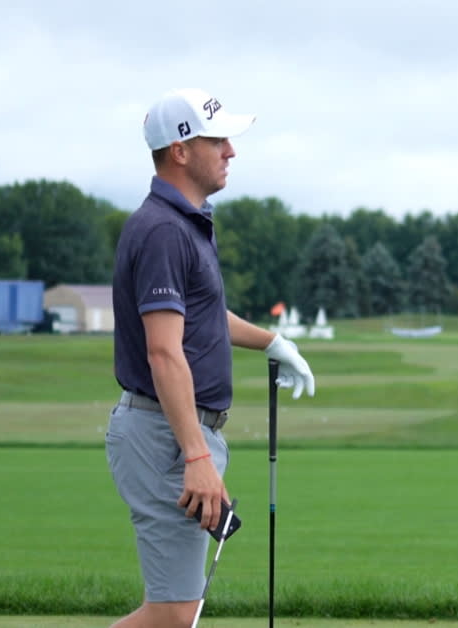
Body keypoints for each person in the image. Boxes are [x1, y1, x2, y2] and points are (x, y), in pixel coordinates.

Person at [106, 87, 317, 628]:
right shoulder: (162, 231)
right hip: (166, 438)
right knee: (174, 615)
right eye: (217, 139)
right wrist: (197, 457)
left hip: (177, 434)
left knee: (180, 611)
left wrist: (271, 341)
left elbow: (202, 317)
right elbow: (163, 350)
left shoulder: (186, 223)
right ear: (180, 150)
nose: (231, 151)